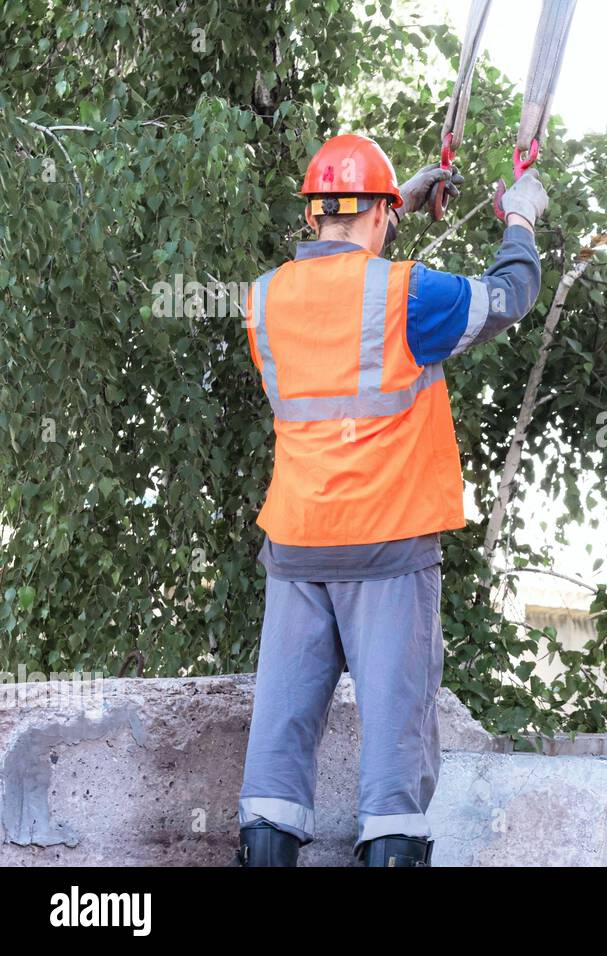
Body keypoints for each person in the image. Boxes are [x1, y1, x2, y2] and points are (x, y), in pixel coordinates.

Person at [235, 133, 547, 866]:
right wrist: (522, 219)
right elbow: (508, 296)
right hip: (389, 549)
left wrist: (387, 203)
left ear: (314, 215)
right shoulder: (409, 293)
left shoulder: (264, 300)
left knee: (276, 757)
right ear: (380, 216)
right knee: (394, 771)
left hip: (297, 548)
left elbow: (338, 285)